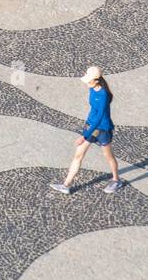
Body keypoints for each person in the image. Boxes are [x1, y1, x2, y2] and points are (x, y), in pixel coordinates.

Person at [49, 65, 123, 194]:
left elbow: (100, 117)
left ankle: (116, 180)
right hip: (90, 127)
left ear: (97, 80)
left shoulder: (103, 94)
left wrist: (84, 135)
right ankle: (66, 185)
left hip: (103, 130)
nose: (86, 83)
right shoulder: (92, 89)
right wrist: (87, 127)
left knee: (108, 156)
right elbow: (93, 111)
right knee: (78, 155)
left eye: (89, 80)